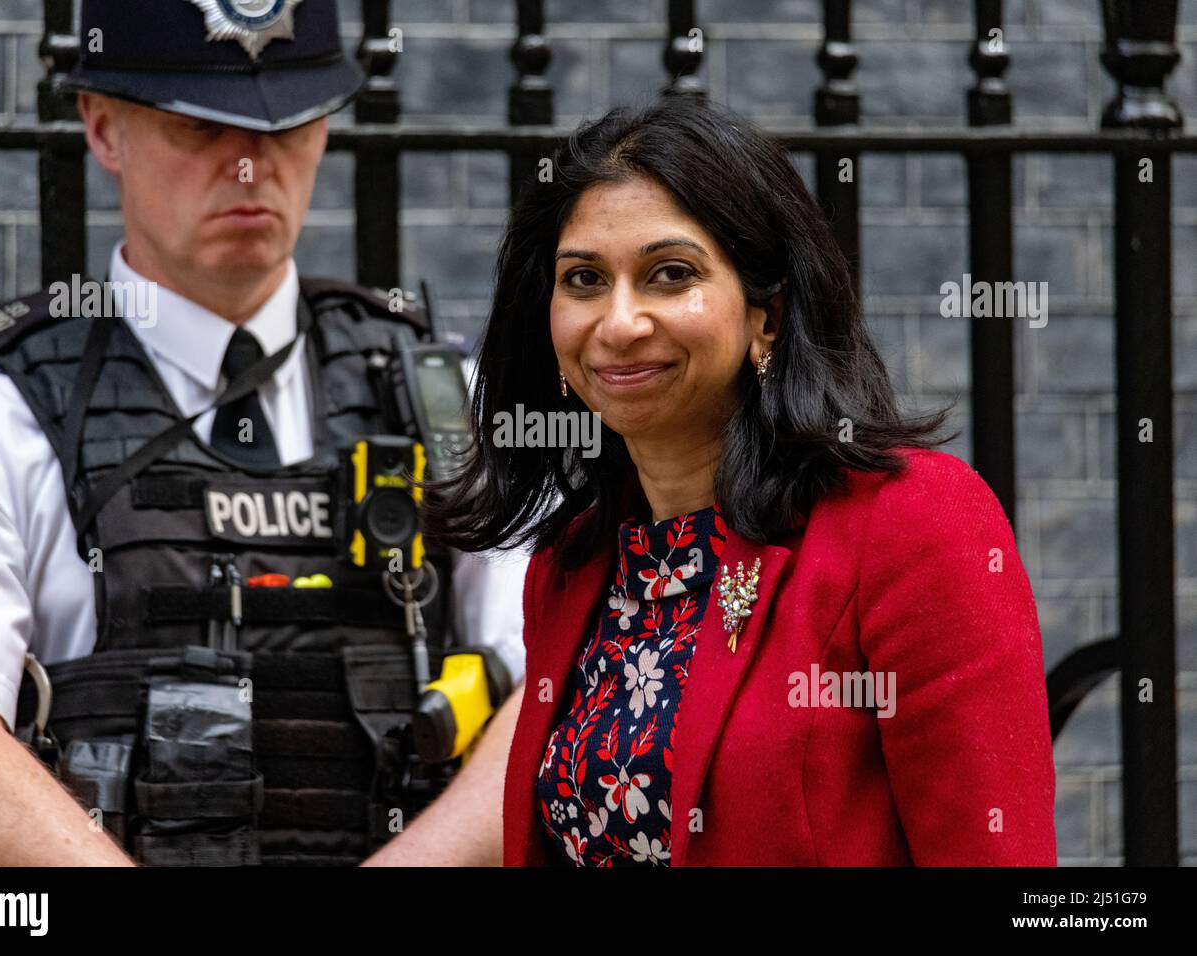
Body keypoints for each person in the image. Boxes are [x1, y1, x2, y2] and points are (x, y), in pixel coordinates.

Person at [0, 0, 527, 867]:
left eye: (289, 125)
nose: (248, 168)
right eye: (201, 125)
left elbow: (560, 690)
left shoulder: (444, 393)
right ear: (104, 128)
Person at [408, 95, 1057, 866]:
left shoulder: (915, 523)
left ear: (768, 316)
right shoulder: (572, 564)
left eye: (669, 274)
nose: (618, 323)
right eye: (583, 279)